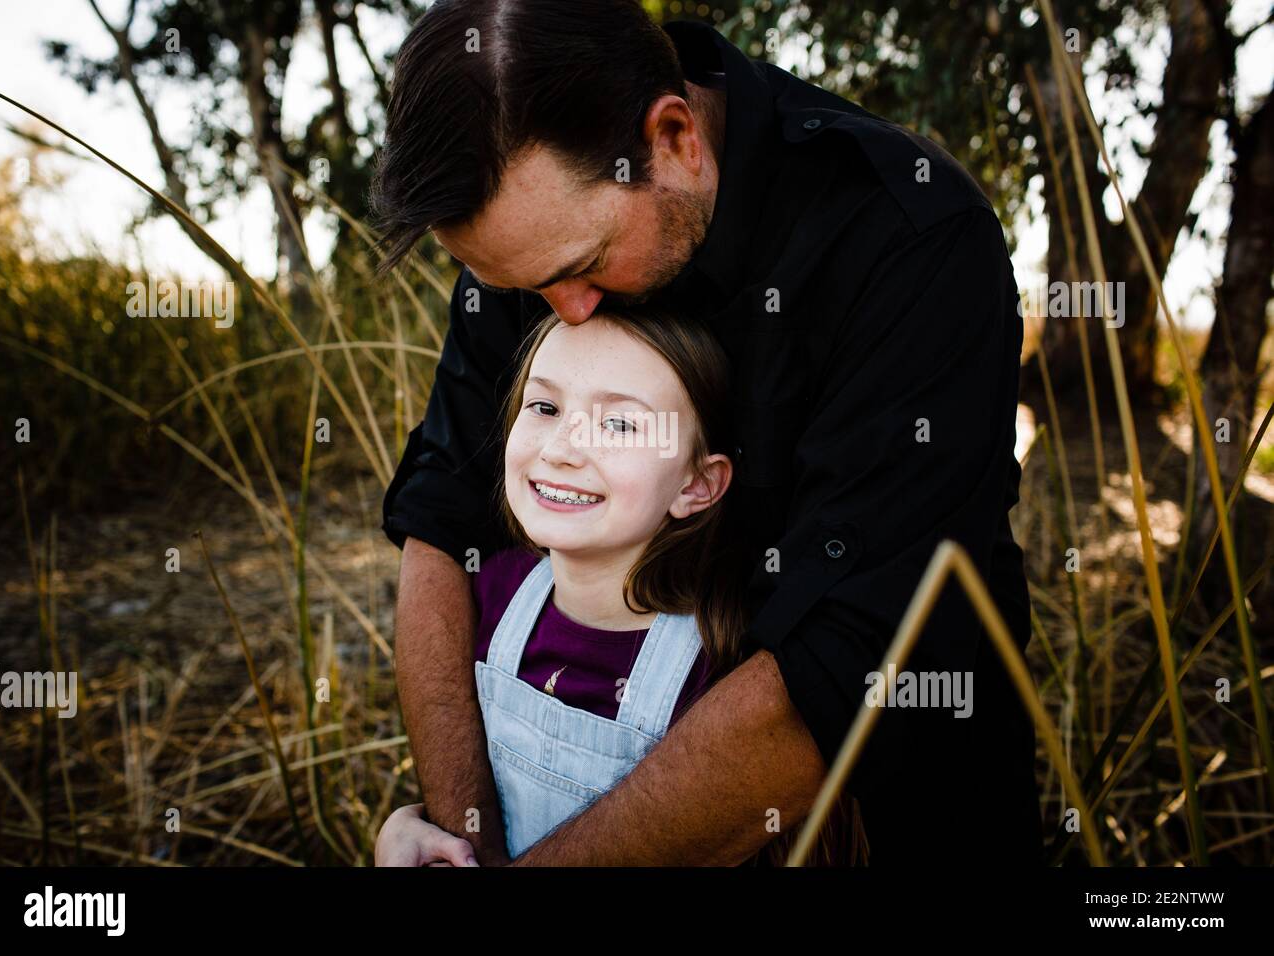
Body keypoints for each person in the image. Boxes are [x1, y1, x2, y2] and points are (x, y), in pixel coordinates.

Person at [374, 0, 1042, 866]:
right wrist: (467, 840)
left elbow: (846, 667)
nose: (565, 314)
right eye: (522, 289)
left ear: (676, 138)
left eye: (579, 269)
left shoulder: (911, 243)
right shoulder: (537, 236)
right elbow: (443, 517)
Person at [375, 308, 863, 866]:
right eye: (545, 407)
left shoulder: (718, 671)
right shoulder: (485, 599)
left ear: (697, 484)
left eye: (621, 425)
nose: (562, 448)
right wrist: (406, 833)